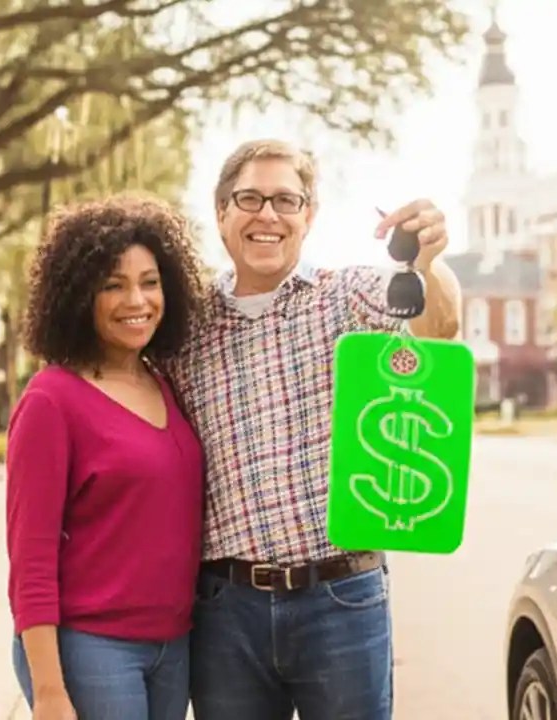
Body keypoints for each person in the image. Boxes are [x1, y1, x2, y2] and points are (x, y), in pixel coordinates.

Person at [165, 139, 462, 719]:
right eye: (249, 198)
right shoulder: (186, 325)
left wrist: (427, 262)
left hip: (342, 598)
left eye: (286, 199)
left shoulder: (348, 296)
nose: (267, 214)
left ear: (309, 215)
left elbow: (440, 328)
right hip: (226, 610)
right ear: (222, 212)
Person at [5, 194, 208, 720]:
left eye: (149, 281)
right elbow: (30, 558)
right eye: (112, 285)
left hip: (172, 647)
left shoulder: (165, 385)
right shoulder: (52, 399)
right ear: (78, 296)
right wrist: (50, 692)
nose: (136, 300)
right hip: (91, 647)